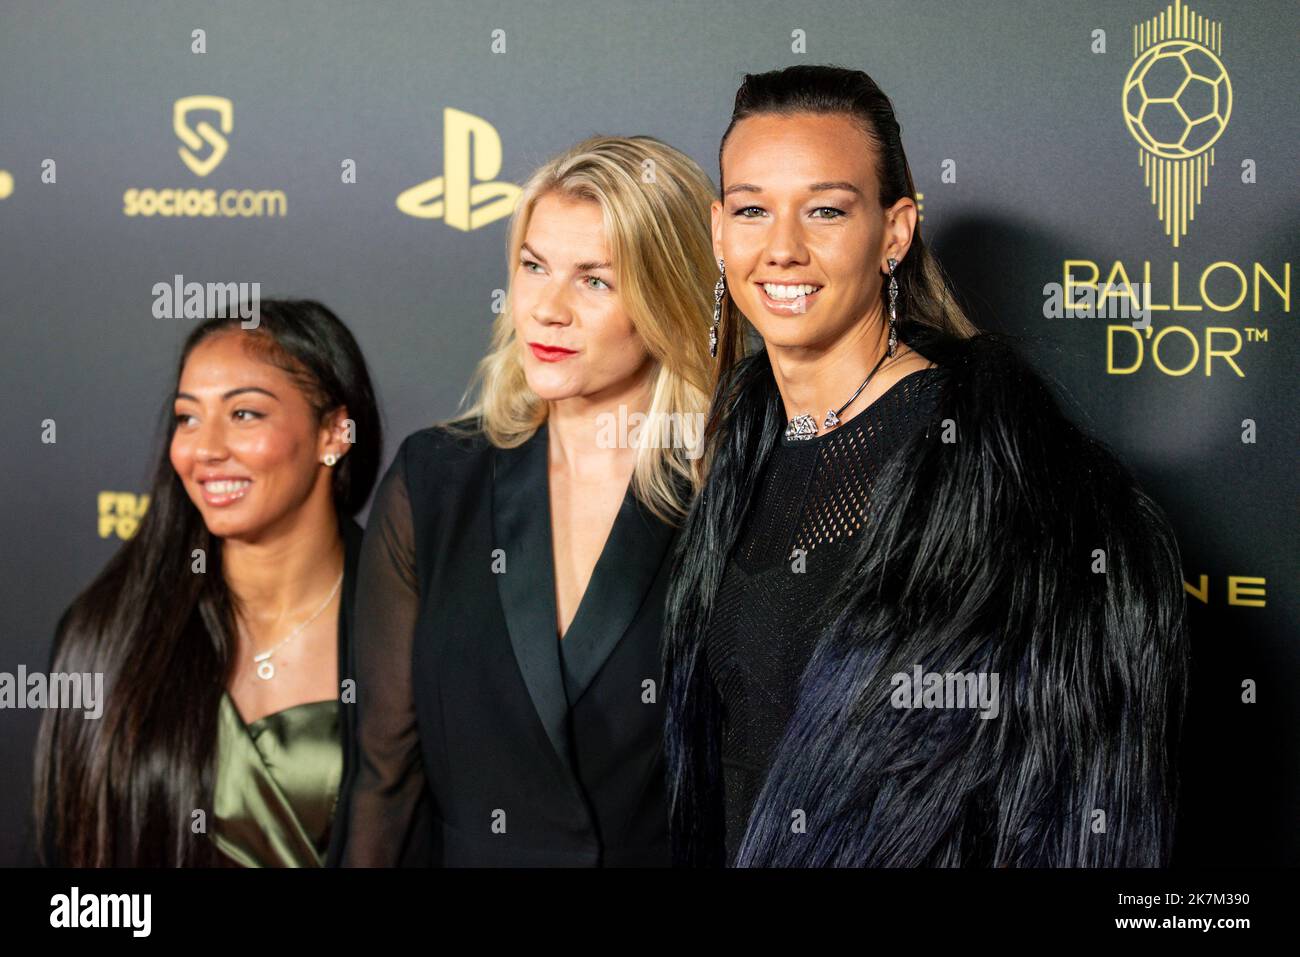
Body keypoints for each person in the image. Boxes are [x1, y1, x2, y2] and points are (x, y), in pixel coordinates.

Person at [663, 65, 1189, 867]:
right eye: (752, 209)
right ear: (717, 230)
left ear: (896, 231)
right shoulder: (745, 447)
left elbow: (1058, 800)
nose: (781, 248)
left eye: (827, 210)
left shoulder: (988, 477)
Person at [341, 135, 716, 866]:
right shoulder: (437, 482)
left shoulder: (724, 494)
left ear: (667, 296)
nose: (547, 308)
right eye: (533, 266)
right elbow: (383, 776)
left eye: (595, 281)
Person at [33, 300, 381, 866]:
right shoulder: (108, 631)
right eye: (188, 418)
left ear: (334, 433)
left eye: (244, 414)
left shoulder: (414, 625)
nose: (206, 449)